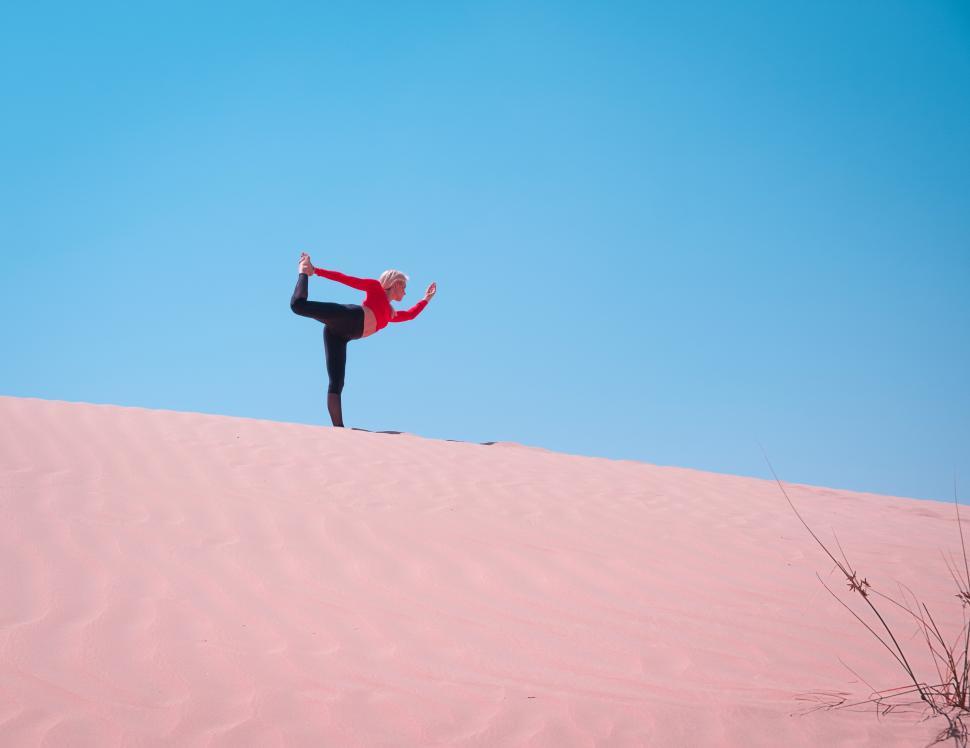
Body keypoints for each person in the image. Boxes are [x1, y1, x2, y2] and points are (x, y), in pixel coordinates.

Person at [289, 252, 437, 427]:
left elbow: (410, 315)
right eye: (404, 287)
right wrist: (316, 271)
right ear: (396, 283)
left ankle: (339, 429)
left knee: (337, 382)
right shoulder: (375, 288)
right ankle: (304, 270)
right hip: (348, 316)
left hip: (339, 335)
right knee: (298, 305)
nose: (405, 292)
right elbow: (347, 279)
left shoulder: (390, 313)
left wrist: (426, 299)